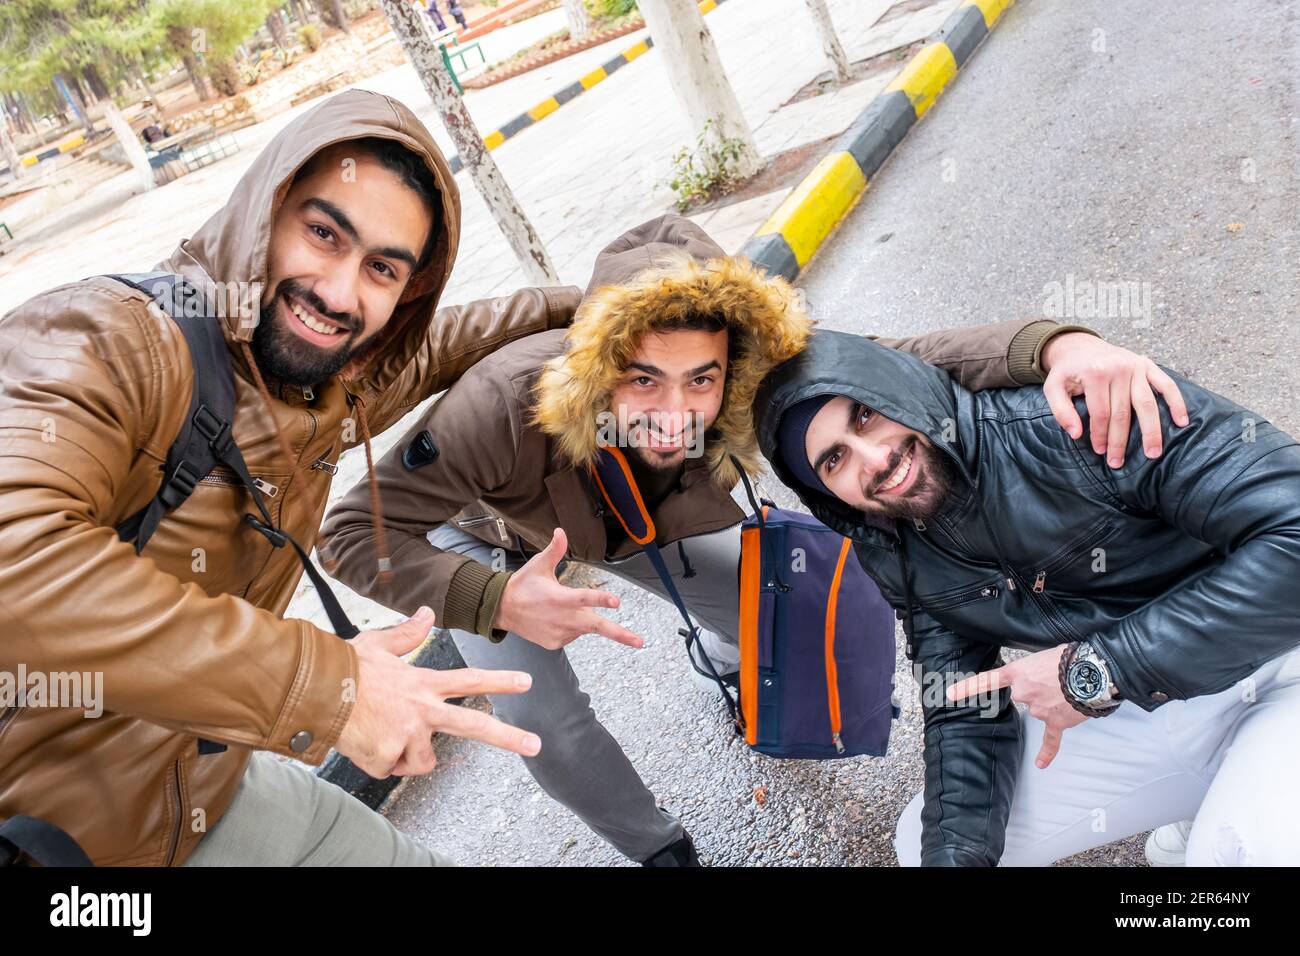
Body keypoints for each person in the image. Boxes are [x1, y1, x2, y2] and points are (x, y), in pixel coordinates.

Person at [319, 213, 1183, 865]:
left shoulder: (750, 372)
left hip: (631, 524)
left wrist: (1059, 344)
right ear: (596, 365)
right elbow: (354, 531)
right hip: (489, 544)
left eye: (701, 381)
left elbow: (902, 363)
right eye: (643, 378)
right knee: (545, 720)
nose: (673, 413)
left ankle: (736, 670)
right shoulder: (503, 401)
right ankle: (661, 850)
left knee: (773, 600)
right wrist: (495, 597)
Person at [0, 89, 588, 866]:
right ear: (263, 214)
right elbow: (18, 569)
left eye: (381, 268)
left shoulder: (318, 379)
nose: (340, 293)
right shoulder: (103, 338)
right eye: (322, 233)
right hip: (58, 845)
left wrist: (607, 308)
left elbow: (443, 344)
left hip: (216, 788)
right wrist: (331, 689)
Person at [756, 329, 1300, 866]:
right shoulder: (896, 544)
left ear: (896, 386)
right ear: (829, 497)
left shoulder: (1074, 416)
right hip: (1147, 698)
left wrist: (1098, 669)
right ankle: (1221, 790)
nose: (873, 459)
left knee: (1238, 856)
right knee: (929, 848)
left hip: (1277, 661)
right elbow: (965, 702)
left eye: (866, 416)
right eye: (835, 461)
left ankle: (1237, 804)